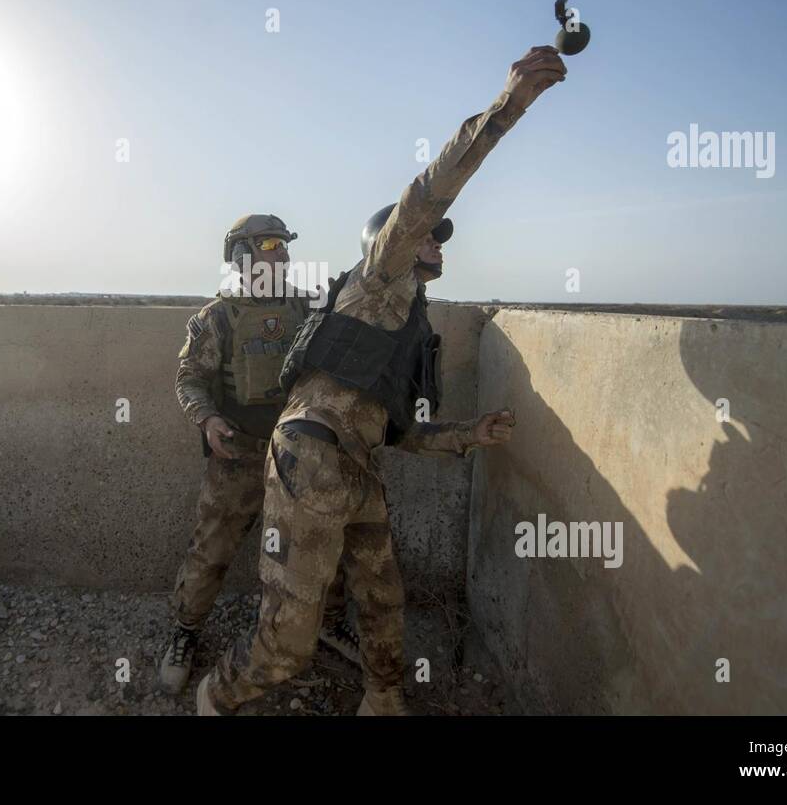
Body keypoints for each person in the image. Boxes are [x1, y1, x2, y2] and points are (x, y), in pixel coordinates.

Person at [196, 45, 566, 716]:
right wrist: (507, 106)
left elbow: (402, 431)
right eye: (429, 238)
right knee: (286, 644)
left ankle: (384, 700)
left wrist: (468, 435)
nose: (437, 243)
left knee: (384, 602)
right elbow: (430, 192)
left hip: (359, 469)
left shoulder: (411, 327)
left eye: (438, 240)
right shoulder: (380, 277)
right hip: (310, 455)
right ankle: (215, 696)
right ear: (392, 242)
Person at [160, 215, 358, 695]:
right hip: (239, 455)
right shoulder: (217, 318)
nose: (283, 252)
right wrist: (208, 420)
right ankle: (185, 633)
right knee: (213, 548)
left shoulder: (308, 307)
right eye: (272, 243)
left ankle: (329, 622)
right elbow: (189, 379)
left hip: (299, 451)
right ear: (243, 255)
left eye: (285, 244)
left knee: (319, 540)